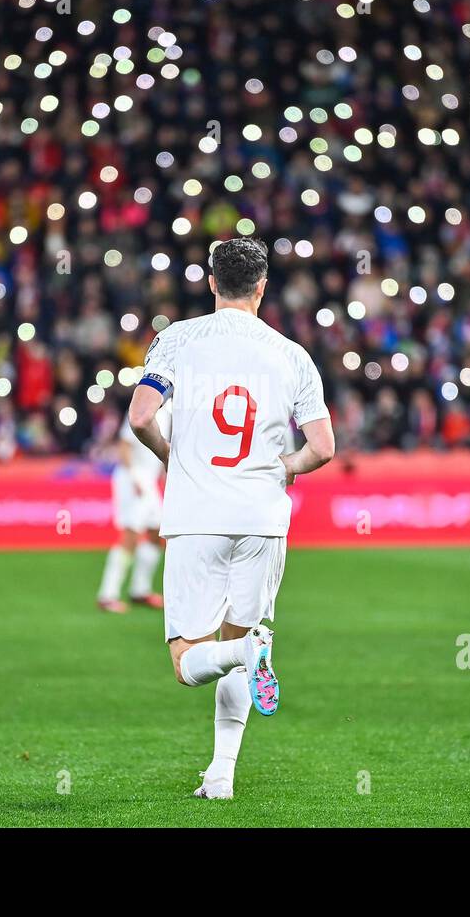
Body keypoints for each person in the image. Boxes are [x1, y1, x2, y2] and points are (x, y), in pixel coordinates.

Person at [127, 238, 334, 799]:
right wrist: (284, 468)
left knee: (189, 660)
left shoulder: (178, 340)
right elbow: (323, 446)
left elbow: (141, 415)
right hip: (263, 519)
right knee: (244, 638)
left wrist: (175, 457)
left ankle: (244, 657)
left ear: (212, 283)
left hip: (198, 516)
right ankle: (221, 775)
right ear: (262, 287)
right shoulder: (292, 354)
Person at [96, 401, 170, 613]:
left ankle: (140, 589)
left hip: (149, 480)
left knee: (157, 531)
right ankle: (107, 595)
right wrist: (134, 476)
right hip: (132, 479)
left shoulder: (166, 413)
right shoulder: (141, 406)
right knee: (130, 535)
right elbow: (124, 447)